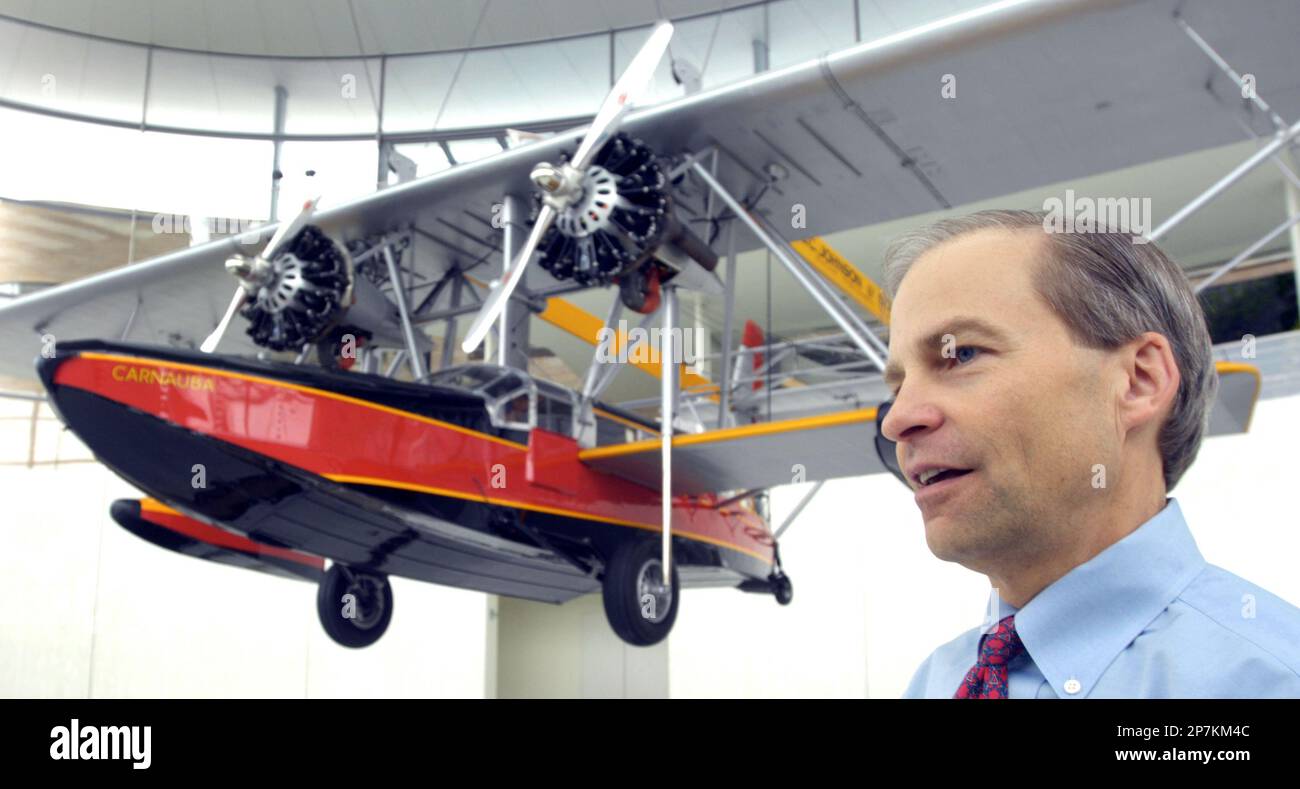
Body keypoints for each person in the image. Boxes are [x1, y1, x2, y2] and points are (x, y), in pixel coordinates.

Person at [879, 209, 1300, 698]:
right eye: (898, 383)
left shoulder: (1271, 679)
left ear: (1139, 381)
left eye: (962, 354)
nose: (896, 419)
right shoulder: (934, 682)